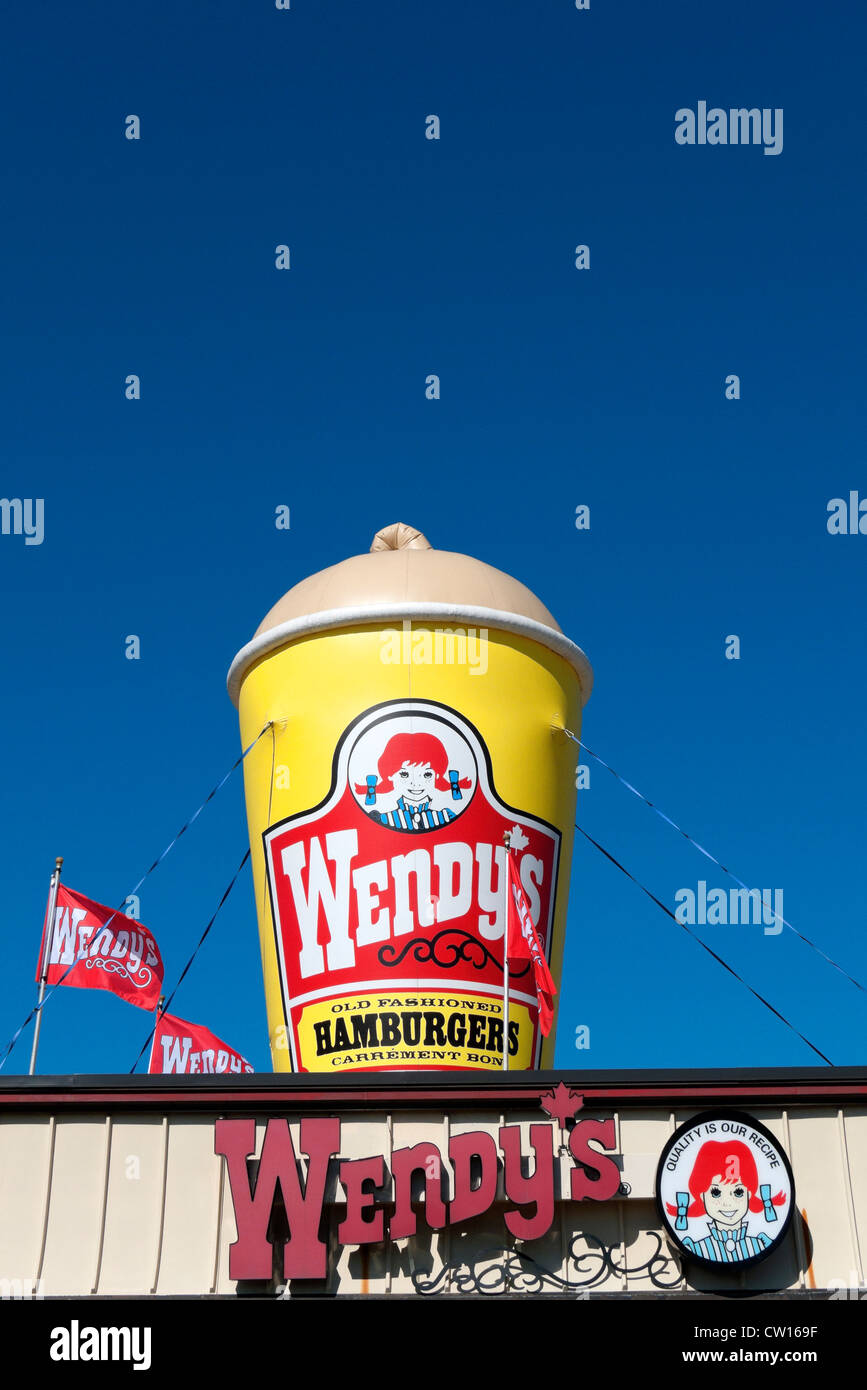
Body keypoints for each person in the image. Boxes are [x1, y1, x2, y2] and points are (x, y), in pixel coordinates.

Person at [666, 1138, 787, 1263]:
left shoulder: (761, 1244)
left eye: (738, 1192)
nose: (727, 1203)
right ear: (702, 1195)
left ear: (749, 1193)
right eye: (716, 1193)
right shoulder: (696, 1248)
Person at [355, 732, 472, 831]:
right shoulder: (381, 819)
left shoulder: (446, 816)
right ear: (390, 775)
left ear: (437, 775)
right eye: (404, 774)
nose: (415, 783)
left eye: (427, 774)